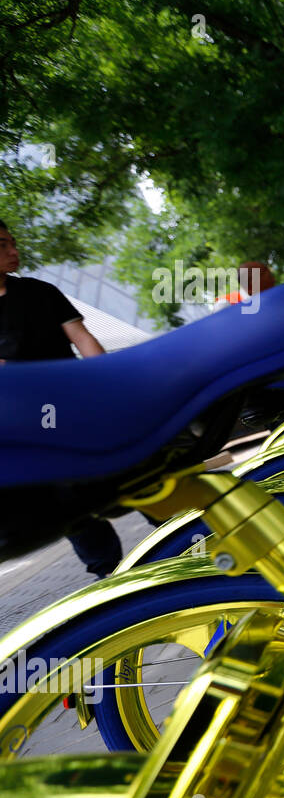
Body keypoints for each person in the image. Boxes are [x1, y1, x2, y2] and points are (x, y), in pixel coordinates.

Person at [0, 218, 123, 577]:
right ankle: (108, 574)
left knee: (121, 473)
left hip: (72, 401)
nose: (13, 251)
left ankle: (179, 540)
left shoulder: (40, 292)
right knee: (63, 495)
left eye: (12, 242)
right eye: (2, 245)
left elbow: (82, 338)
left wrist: (110, 381)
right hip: (23, 422)